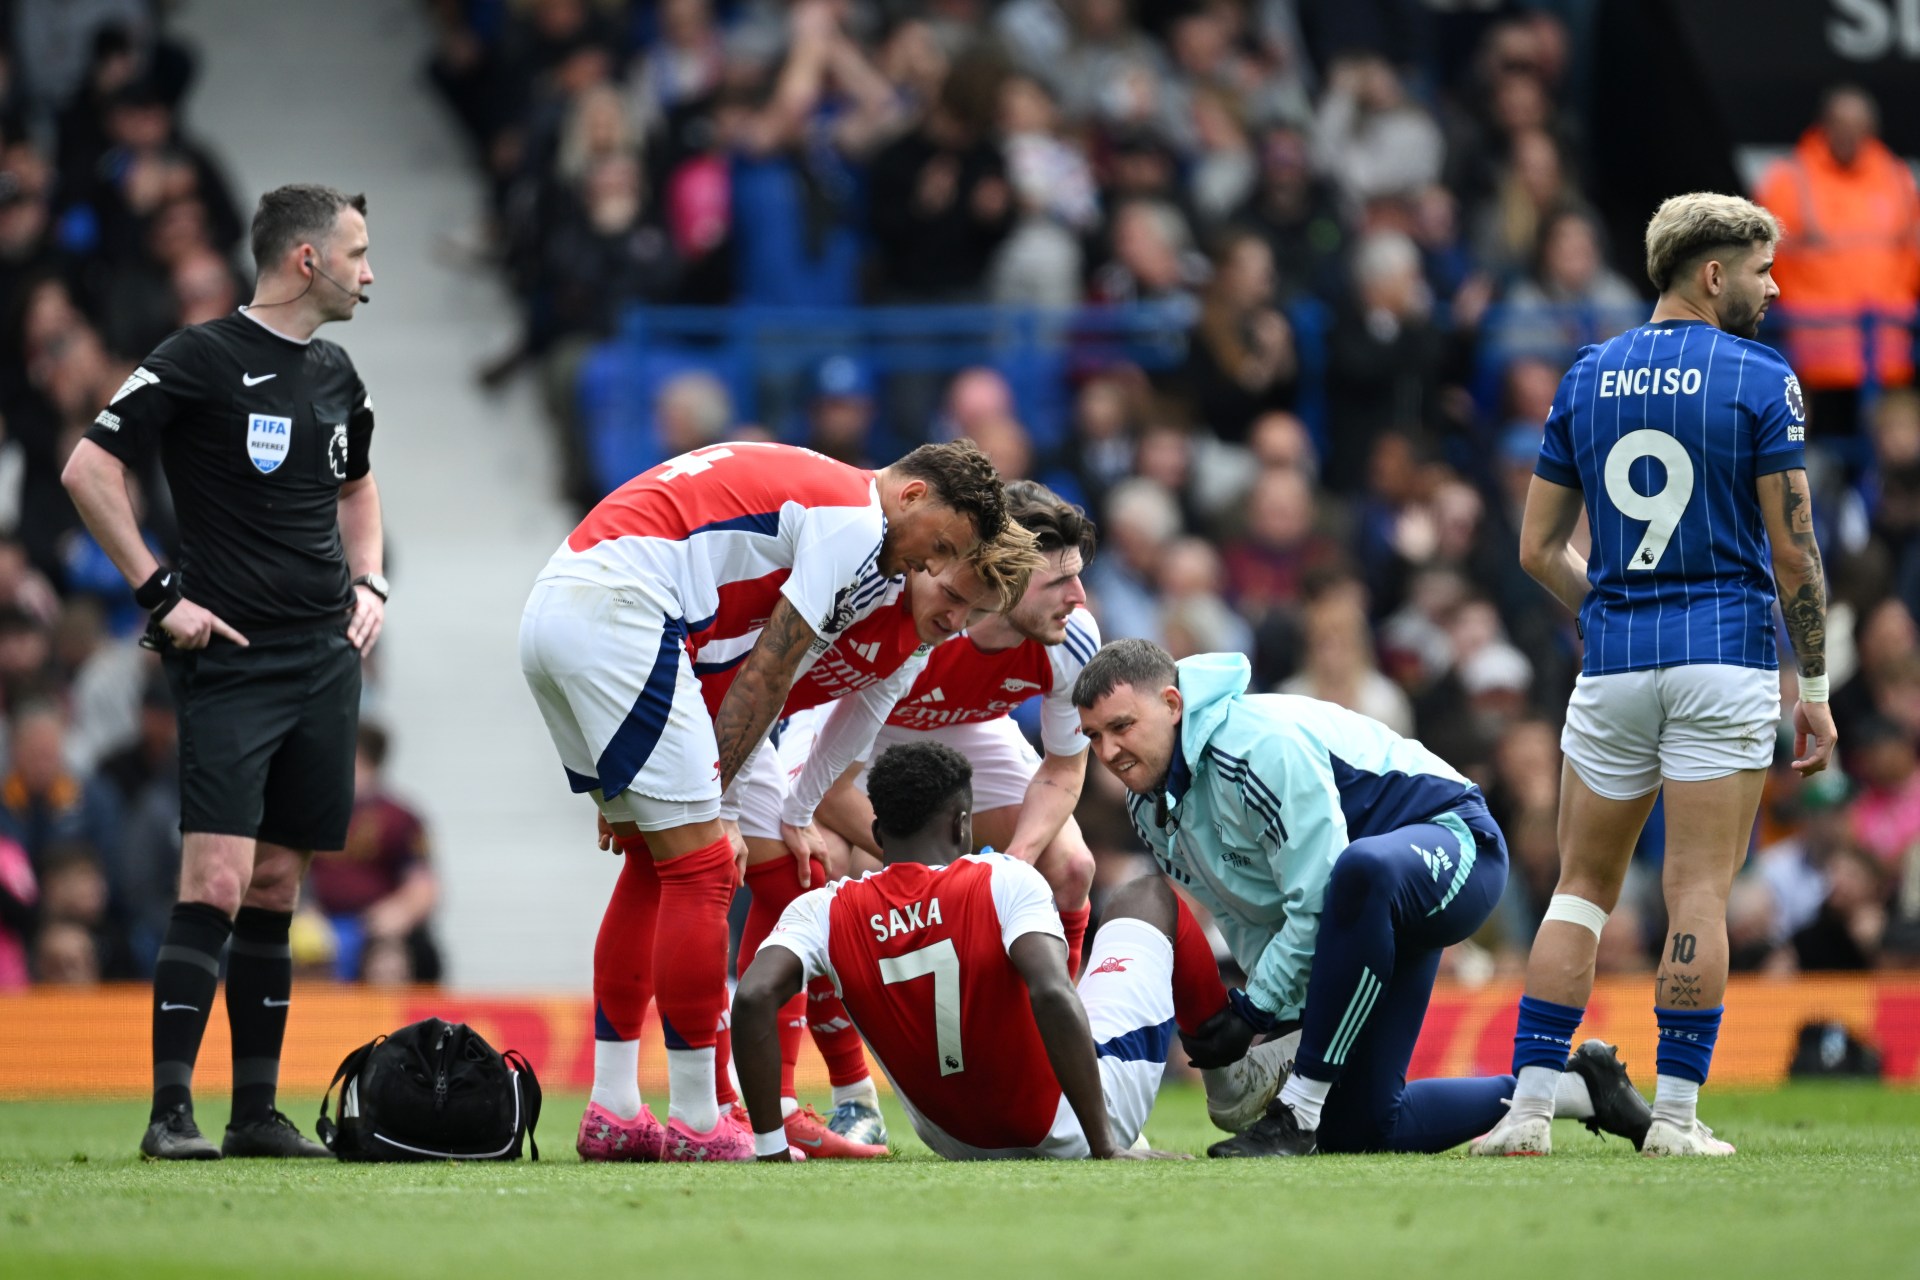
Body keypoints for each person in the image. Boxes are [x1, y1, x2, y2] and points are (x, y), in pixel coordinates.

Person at [521, 437, 1005, 1163]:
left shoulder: (834, 501)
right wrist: (714, 804)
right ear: (911, 496)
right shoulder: (854, 520)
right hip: (628, 615)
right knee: (704, 868)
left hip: (570, 605)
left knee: (661, 867)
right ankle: (698, 1119)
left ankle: (617, 1107)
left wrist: (778, 806)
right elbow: (769, 671)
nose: (931, 568)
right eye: (937, 547)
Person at [1475, 193, 1836, 1159]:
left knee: (1579, 892)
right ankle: (1673, 1120)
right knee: (1699, 897)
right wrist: (1817, 689)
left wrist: (1603, 608)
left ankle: (1525, 1115)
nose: (1774, 285)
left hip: (1615, 667)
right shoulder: (1762, 378)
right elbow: (1795, 556)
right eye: (1760, 269)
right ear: (1712, 275)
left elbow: (1536, 547)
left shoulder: (1585, 376)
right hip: (1722, 658)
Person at [62, 184, 383, 1161]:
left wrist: (371, 579)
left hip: (323, 656)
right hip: (232, 659)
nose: (370, 273)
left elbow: (359, 482)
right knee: (217, 872)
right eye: (358, 252)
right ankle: (169, 1113)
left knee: (279, 882)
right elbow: (87, 470)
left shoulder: (336, 373)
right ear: (304, 260)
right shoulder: (198, 357)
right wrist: (159, 592)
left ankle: (254, 1113)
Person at [1072, 640, 1651, 1157]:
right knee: (1362, 1131)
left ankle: (1296, 1114)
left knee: (1361, 866)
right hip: (1368, 904)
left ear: (1173, 704)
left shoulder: (1255, 744)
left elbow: (1321, 889)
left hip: (1455, 843)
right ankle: (1579, 1088)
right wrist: (1269, 1010)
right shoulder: (1149, 805)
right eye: (1094, 736)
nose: (1109, 751)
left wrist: (1255, 1009)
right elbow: (1246, 912)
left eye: (1122, 726)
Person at [709, 535, 1043, 1161]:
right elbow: (771, 687)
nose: (956, 622)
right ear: (929, 561)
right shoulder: (856, 587)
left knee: (1073, 865)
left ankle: (1045, 1047)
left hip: (914, 733)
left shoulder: (940, 637)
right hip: (745, 700)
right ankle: (830, 1097)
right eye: (954, 600)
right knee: (791, 867)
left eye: (972, 611)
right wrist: (744, 810)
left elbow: (1067, 777)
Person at [733, 741, 1200, 1161]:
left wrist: (772, 1149)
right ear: (962, 824)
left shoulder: (823, 910)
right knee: (1147, 897)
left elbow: (752, 997)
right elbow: (1053, 993)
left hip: (957, 1141)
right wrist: (1105, 1146)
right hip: (1070, 1130)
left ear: (876, 832)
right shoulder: (1002, 878)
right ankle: (1226, 1085)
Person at [812, 482, 1102, 974]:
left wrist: (1015, 863)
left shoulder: (1071, 638)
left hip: (971, 727)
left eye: (1076, 578)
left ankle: (1055, 1023)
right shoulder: (929, 623)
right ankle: (835, 1043)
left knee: (1073, 868)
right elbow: (828, 792)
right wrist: (936, 874)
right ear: (1004, 575)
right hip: (856, 724)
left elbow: (1064, 769)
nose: (1078, 598)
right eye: (1057, 583)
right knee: (826, 863)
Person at [1754, 86, 1920, 443]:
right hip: (1815, 357)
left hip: (1886, 354)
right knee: (1813, 456)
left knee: (1886, 461)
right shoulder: (1789, 179)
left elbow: (1912, 258)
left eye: (1858, 124)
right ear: (1824, 124)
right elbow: (1767, 263)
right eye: (1841, 123)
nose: (1849, 133)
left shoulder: (1896, 178)